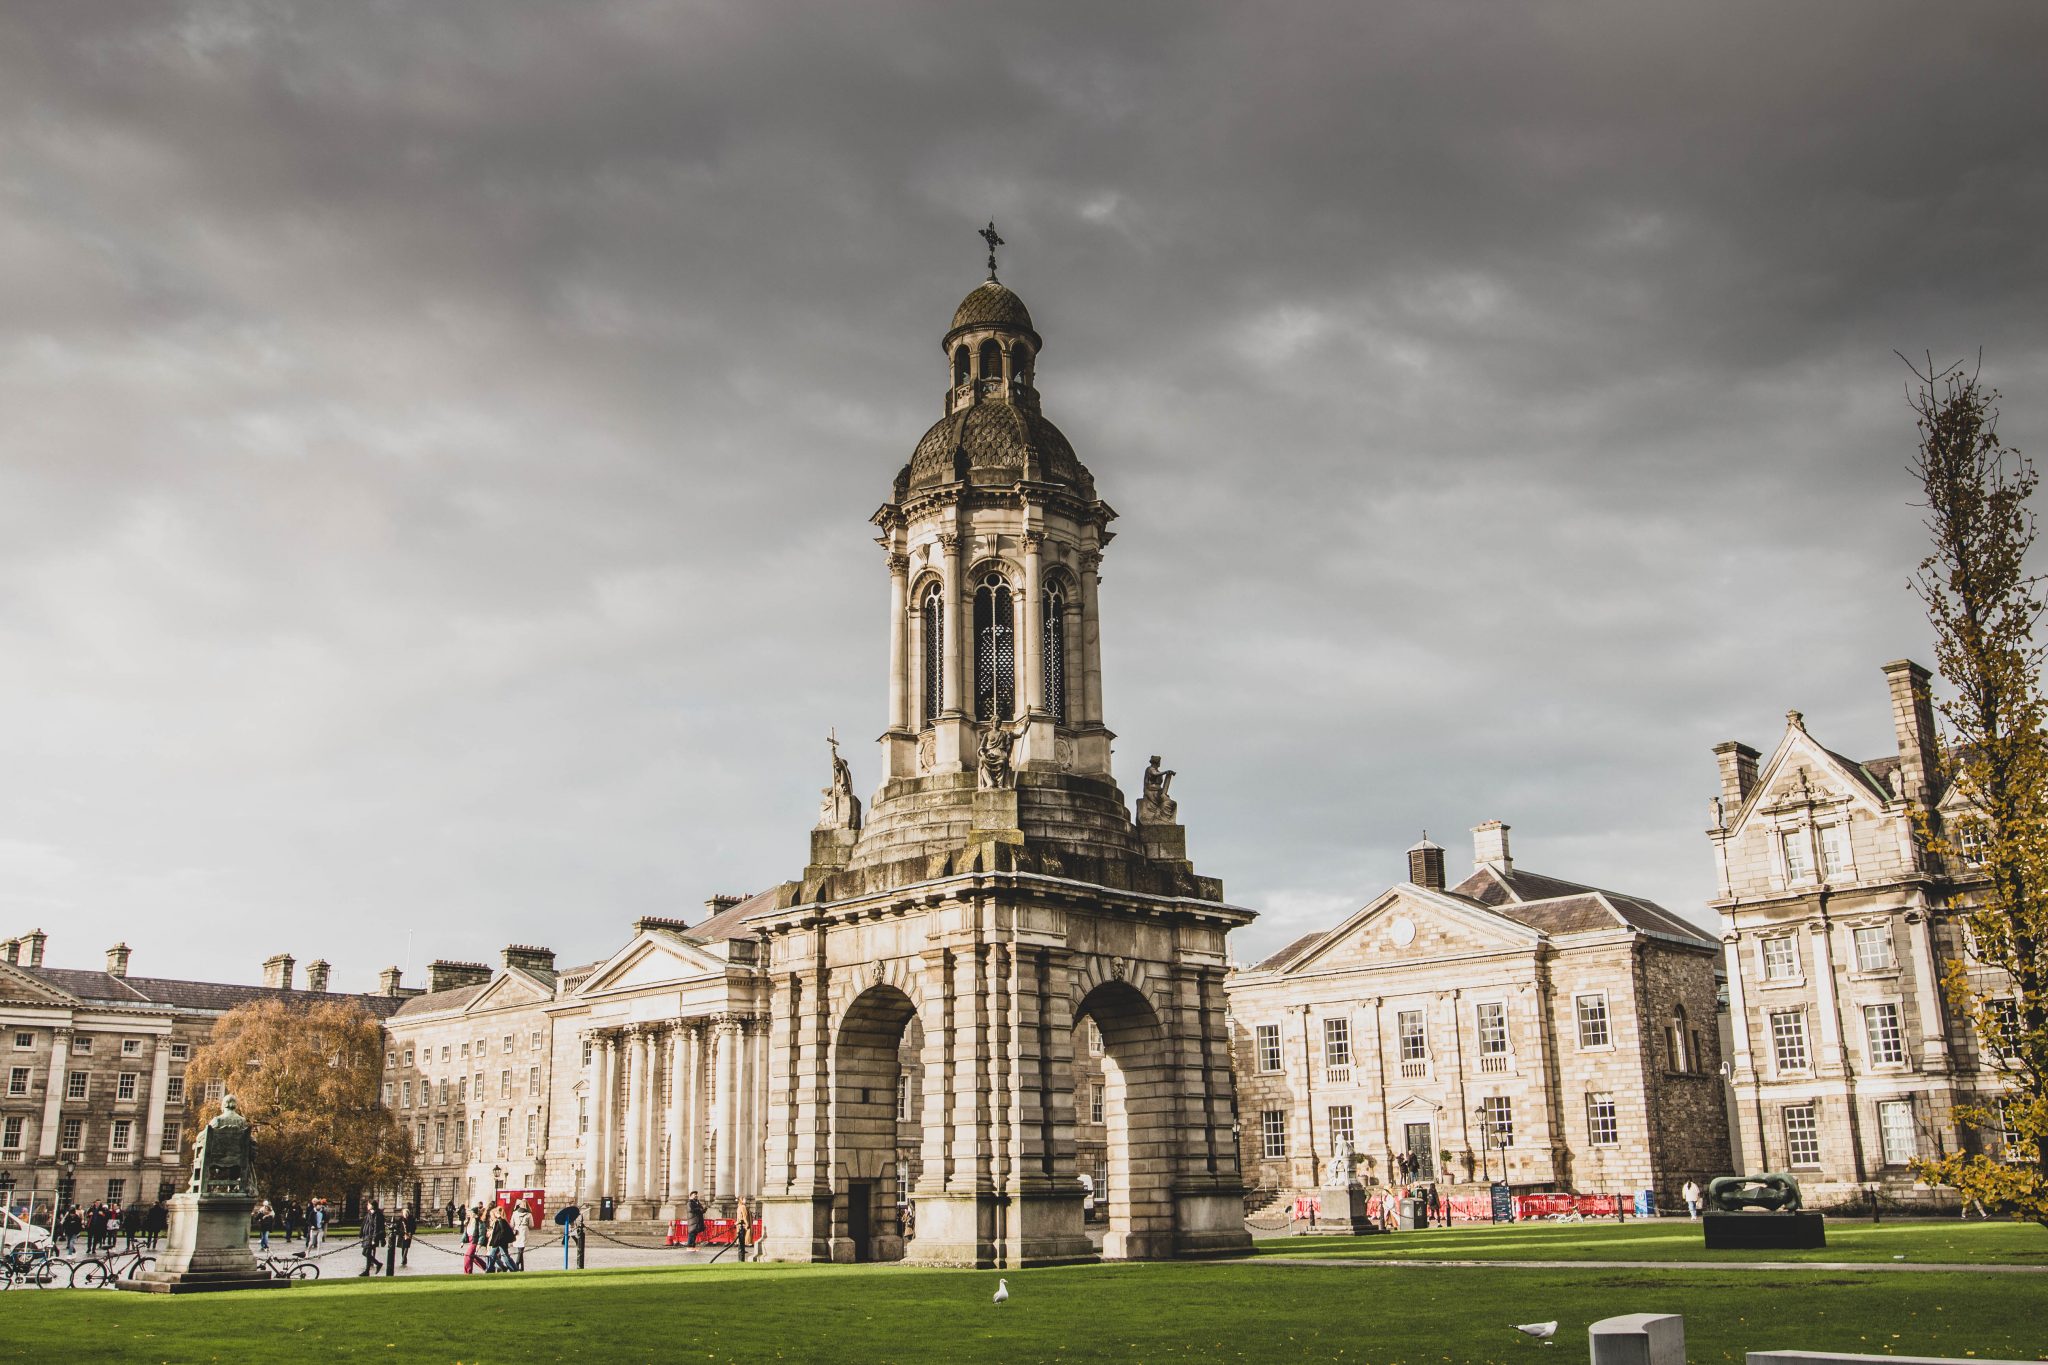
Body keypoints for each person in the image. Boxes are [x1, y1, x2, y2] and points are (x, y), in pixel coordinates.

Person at [486, 1206, 517, 1273]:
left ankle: (489, 1269)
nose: (490, 1217)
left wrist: (499, 1217)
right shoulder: (499, 1221)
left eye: (491, 1215)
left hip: (498, 1241)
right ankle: (513, 1269)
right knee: (504, 1255)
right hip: (499, 1241)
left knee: (493, 1255)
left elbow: (501, 1231)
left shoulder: (500, 1221)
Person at [359, 1200, 385, 1277]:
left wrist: (374, 1239)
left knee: (367, 1253)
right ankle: (378, 1264)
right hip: (367, 1236)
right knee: (364, 1253)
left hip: (372, 1236)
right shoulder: (369, 1214)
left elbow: (376, 1227)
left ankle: (367, 1271)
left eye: (368, 1204)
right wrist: (361, 1233)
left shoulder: (377, 1215)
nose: (367, 1206)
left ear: (372, 1206)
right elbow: (364, 1224)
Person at [511, 1200, 531, 1271]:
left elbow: (511, 1224)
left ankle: (521, 1267)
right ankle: (516, 1265)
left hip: (517, 1230)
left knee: (520, 1249)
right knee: (521, 1249)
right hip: (524, 1230)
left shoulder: (514, 1213)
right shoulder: (528, 1214)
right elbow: (532, 1225)